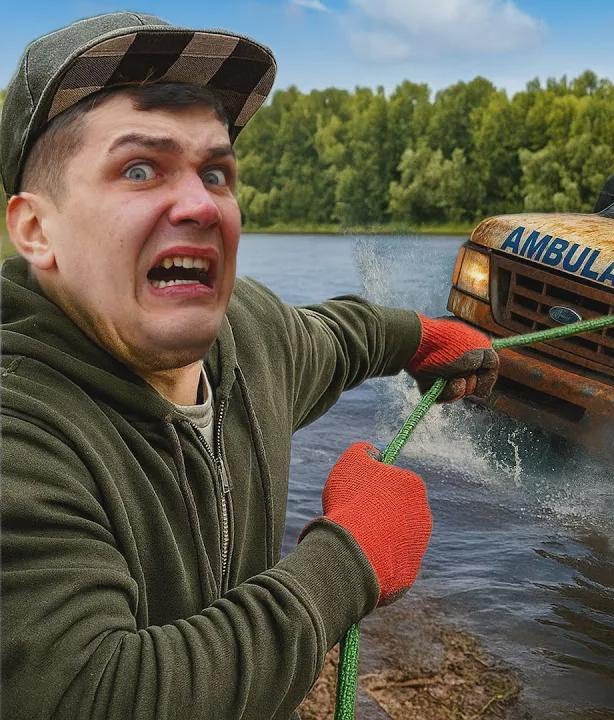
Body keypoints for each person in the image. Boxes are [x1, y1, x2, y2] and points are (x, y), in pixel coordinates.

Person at [0, 12, 497, 719]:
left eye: (216, 171)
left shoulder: (250, 333)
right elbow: (95, 693)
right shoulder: (18, 430)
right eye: (140, 169)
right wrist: (347, 562)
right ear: (36, 230)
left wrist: (422, 338)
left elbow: (332, 336)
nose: (202, 204)